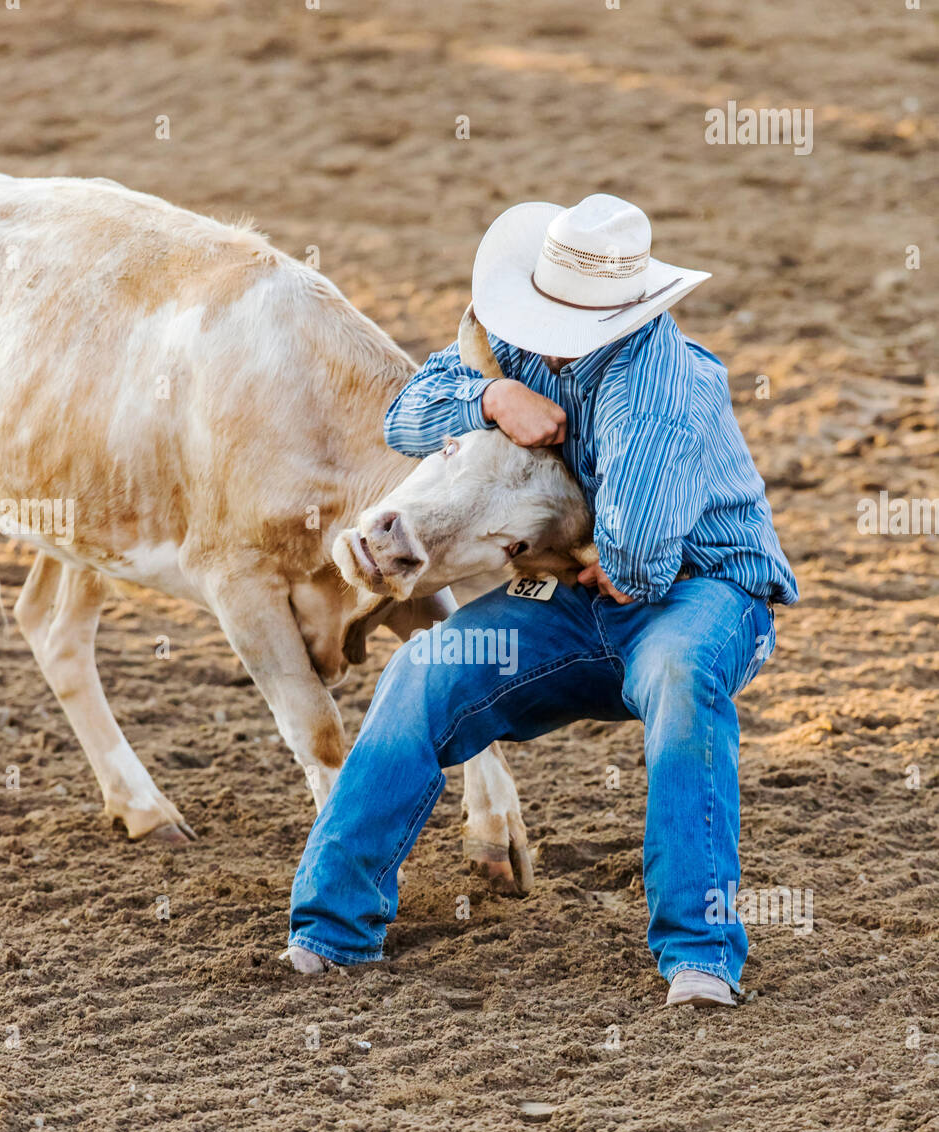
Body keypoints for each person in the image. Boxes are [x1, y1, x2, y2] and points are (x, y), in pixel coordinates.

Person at [286, 194, 798, 1008]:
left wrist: (588, 560)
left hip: (706, 589)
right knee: (426, 666)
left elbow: (636, 559)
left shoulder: (661, 387)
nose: (542, 330)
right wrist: (492, 401)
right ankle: (331, 931)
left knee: (677, 678)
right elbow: (405, 416)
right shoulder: (508, 344)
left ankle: (699, 953)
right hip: (570, 590)